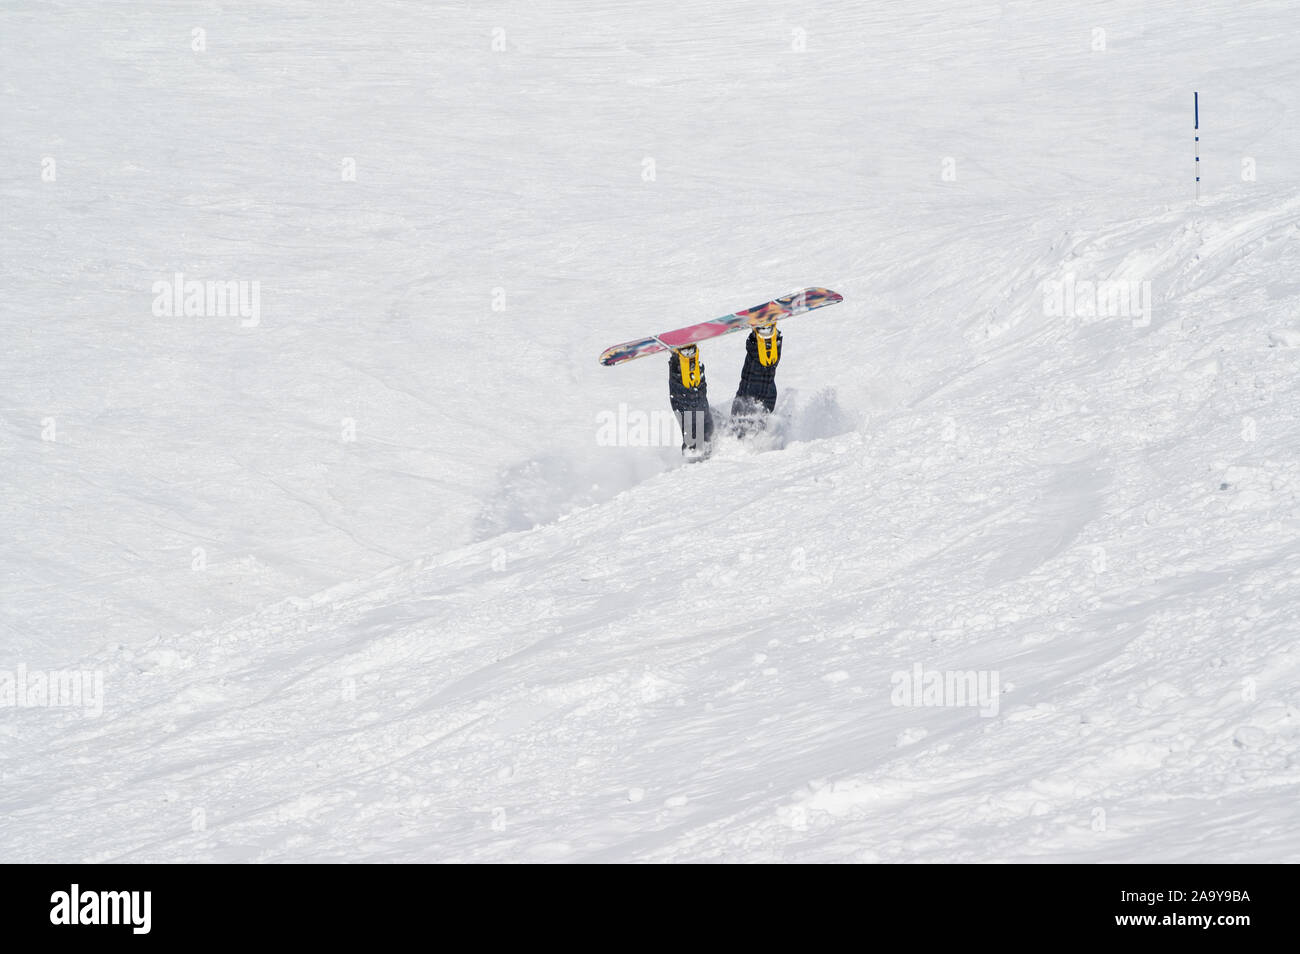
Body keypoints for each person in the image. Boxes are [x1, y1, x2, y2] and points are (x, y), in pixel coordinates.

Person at [667, 323, 782, 458]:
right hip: (744, 456)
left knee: (700, 441)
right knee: (749, 418)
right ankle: (685, 367)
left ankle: (685, 370)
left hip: (721, 461)